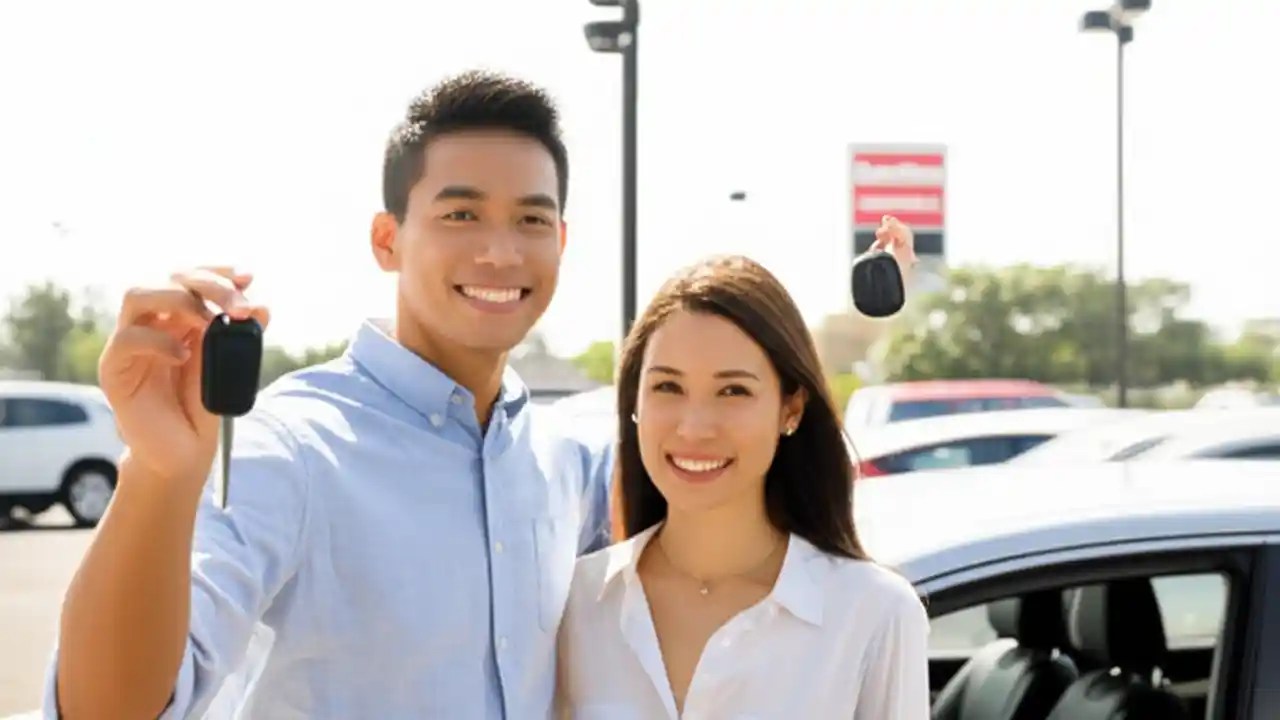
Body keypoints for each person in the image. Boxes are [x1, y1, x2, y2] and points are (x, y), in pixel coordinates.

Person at [46, 70, 612, 720]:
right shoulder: (289, 450)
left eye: (531, 219)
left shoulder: (564, 458)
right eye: (461, 214)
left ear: (561, 241)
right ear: (386, 240)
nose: (499, 250)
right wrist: (155, 474)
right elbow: (105, 711)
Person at [555, 217, 930, 719]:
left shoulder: (874, 613)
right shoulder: (573, 605)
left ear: (790, 409)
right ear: (634, 403)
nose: (694, 426)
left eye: (733, 391)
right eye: (668, 387)